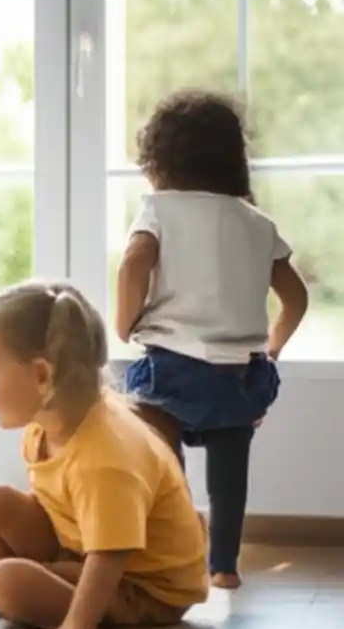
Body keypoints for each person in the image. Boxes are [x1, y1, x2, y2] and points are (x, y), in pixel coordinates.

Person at [116, 90, 310, 589]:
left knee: (159, 458)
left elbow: (135, 261)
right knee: (229, 479)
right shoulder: (257, 223)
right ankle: (223, 566)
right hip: (239, 374)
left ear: (158, 159)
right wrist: (272, 348)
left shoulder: (160, 210)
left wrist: (124, 322)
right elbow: (296, 299)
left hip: (172, 370)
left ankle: (168, 553)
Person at [0, 281, 207, 629]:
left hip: (143, 587)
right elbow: (60, 504)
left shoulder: (105, 455)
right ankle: (21, 590)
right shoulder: (44, 426)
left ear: (42, 375)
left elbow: (113, 553)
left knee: (6, 582)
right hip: (83, 552)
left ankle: (43, 600)